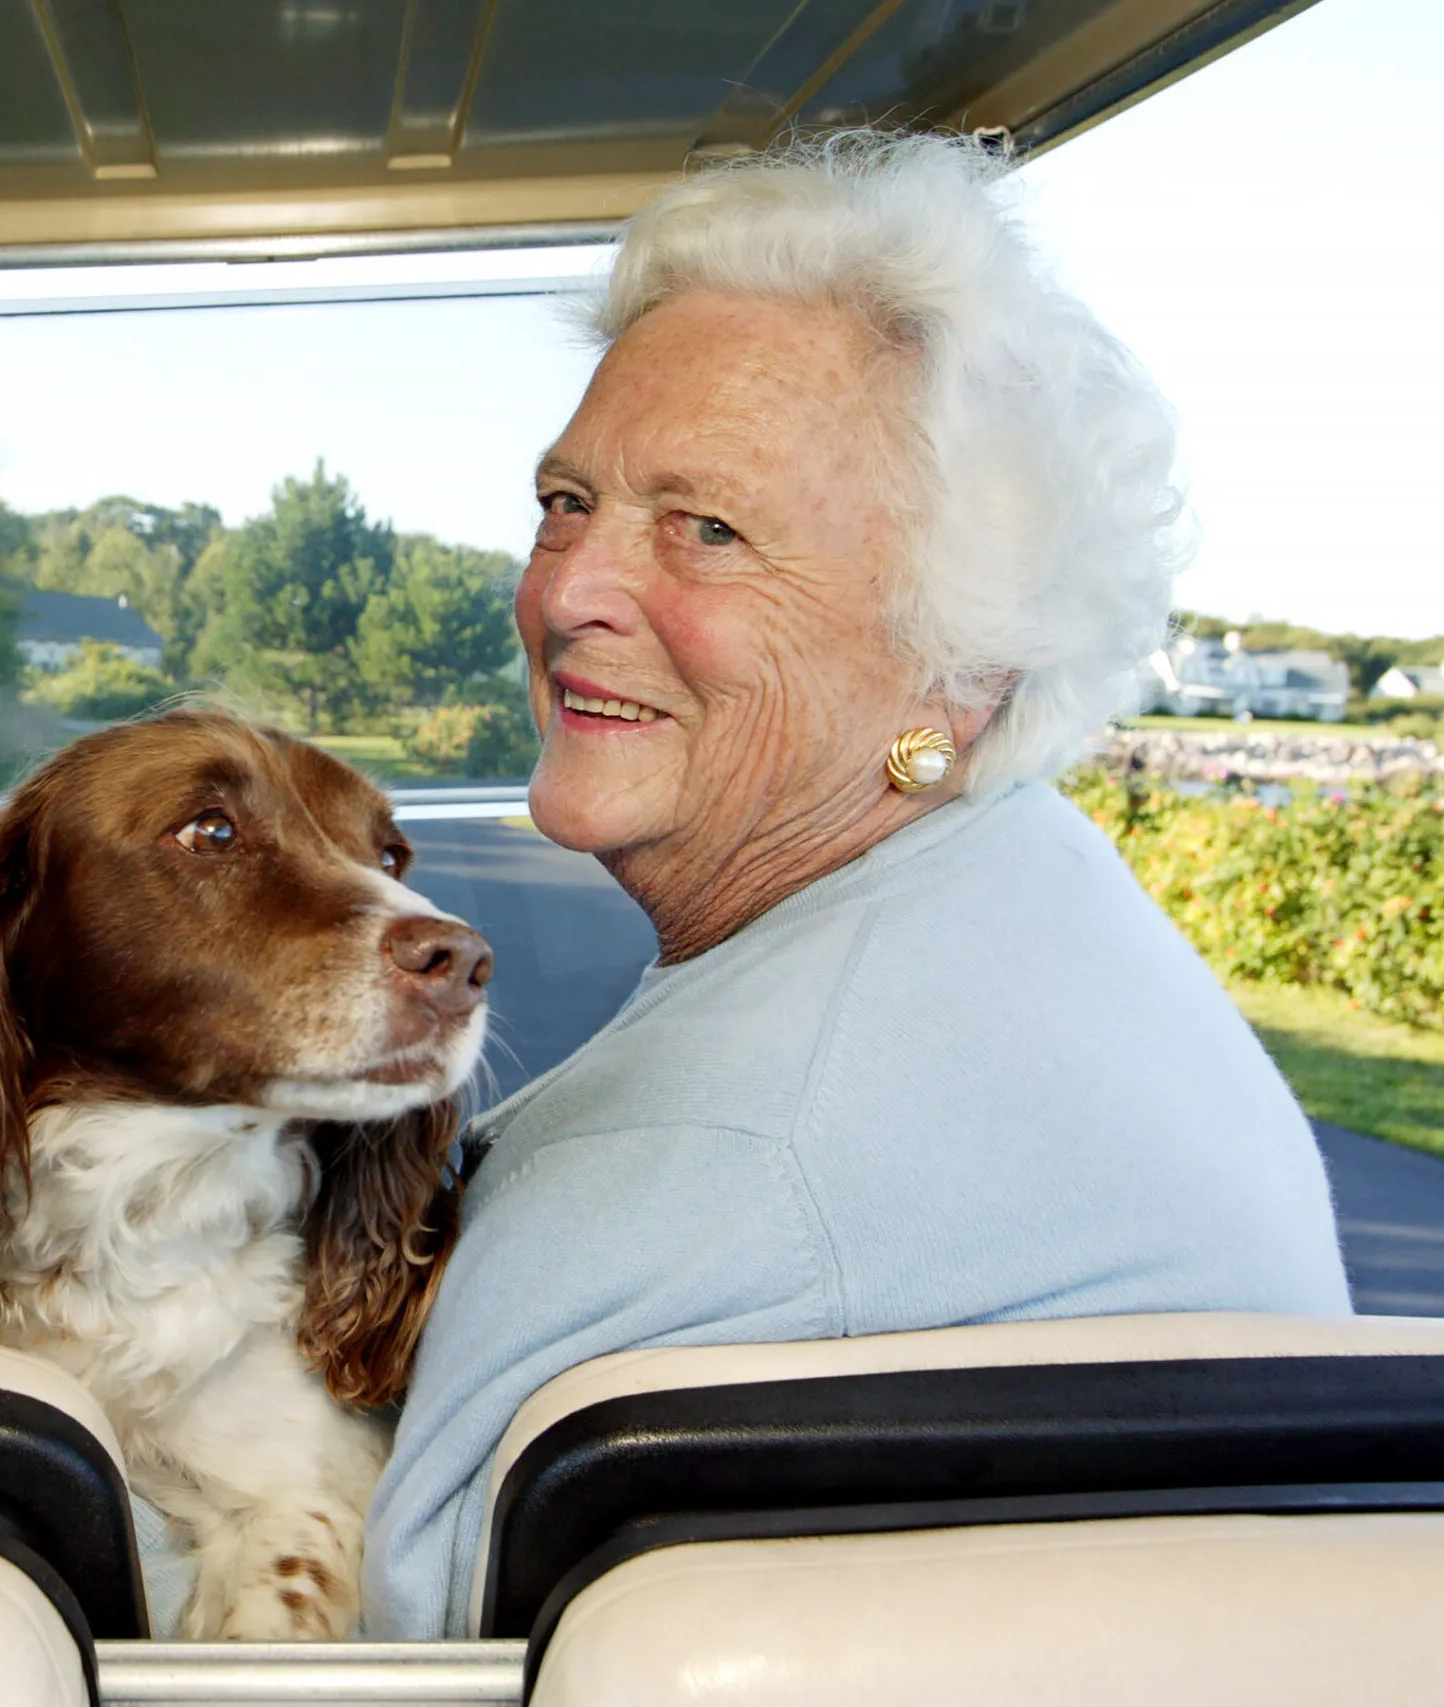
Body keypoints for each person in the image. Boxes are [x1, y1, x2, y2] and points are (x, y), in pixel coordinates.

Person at [362, 133, 1352, 1638]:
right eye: (568, 500)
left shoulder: (732, 1148)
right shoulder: (1035, 891)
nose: (566, 589)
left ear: (957, 664)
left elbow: (391, 1634)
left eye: (707, 529)